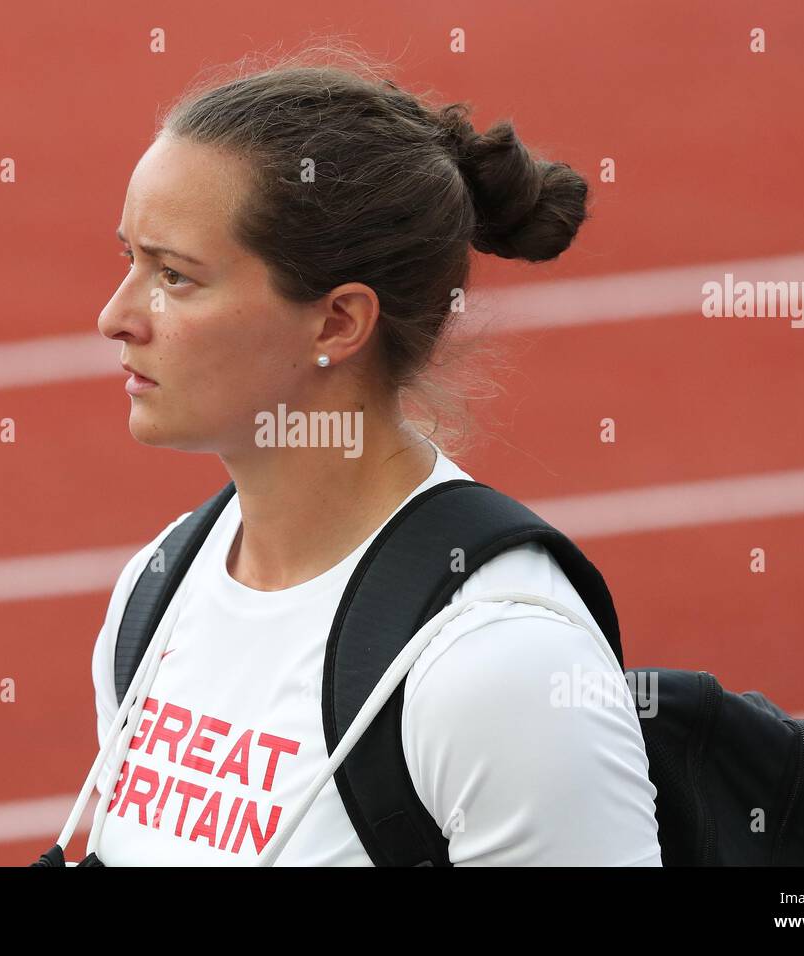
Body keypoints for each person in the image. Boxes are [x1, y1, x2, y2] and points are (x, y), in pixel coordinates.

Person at [86, 44, 662, 866]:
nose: (115, 316)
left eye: (174, 276)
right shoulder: (158, 594)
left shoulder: (499, 663)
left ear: (337, 323)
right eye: (130, 260)